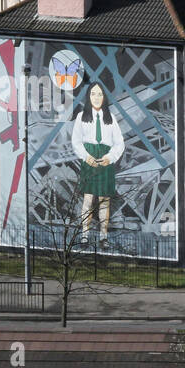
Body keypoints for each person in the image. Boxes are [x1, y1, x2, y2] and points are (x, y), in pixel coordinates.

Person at [69, 83, 125, 247]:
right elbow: (76, 142)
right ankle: (85, 235)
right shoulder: (81, 117)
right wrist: (87, 157)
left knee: (104, 201)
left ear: (104, 97)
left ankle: (103, 237)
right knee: (87, 200)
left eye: (100, 94)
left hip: (105, 161)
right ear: (88, 96)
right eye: (93, 94)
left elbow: (119, 143)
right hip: (89, 159)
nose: (97, 97)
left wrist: (110, 157)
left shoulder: (111, 117)